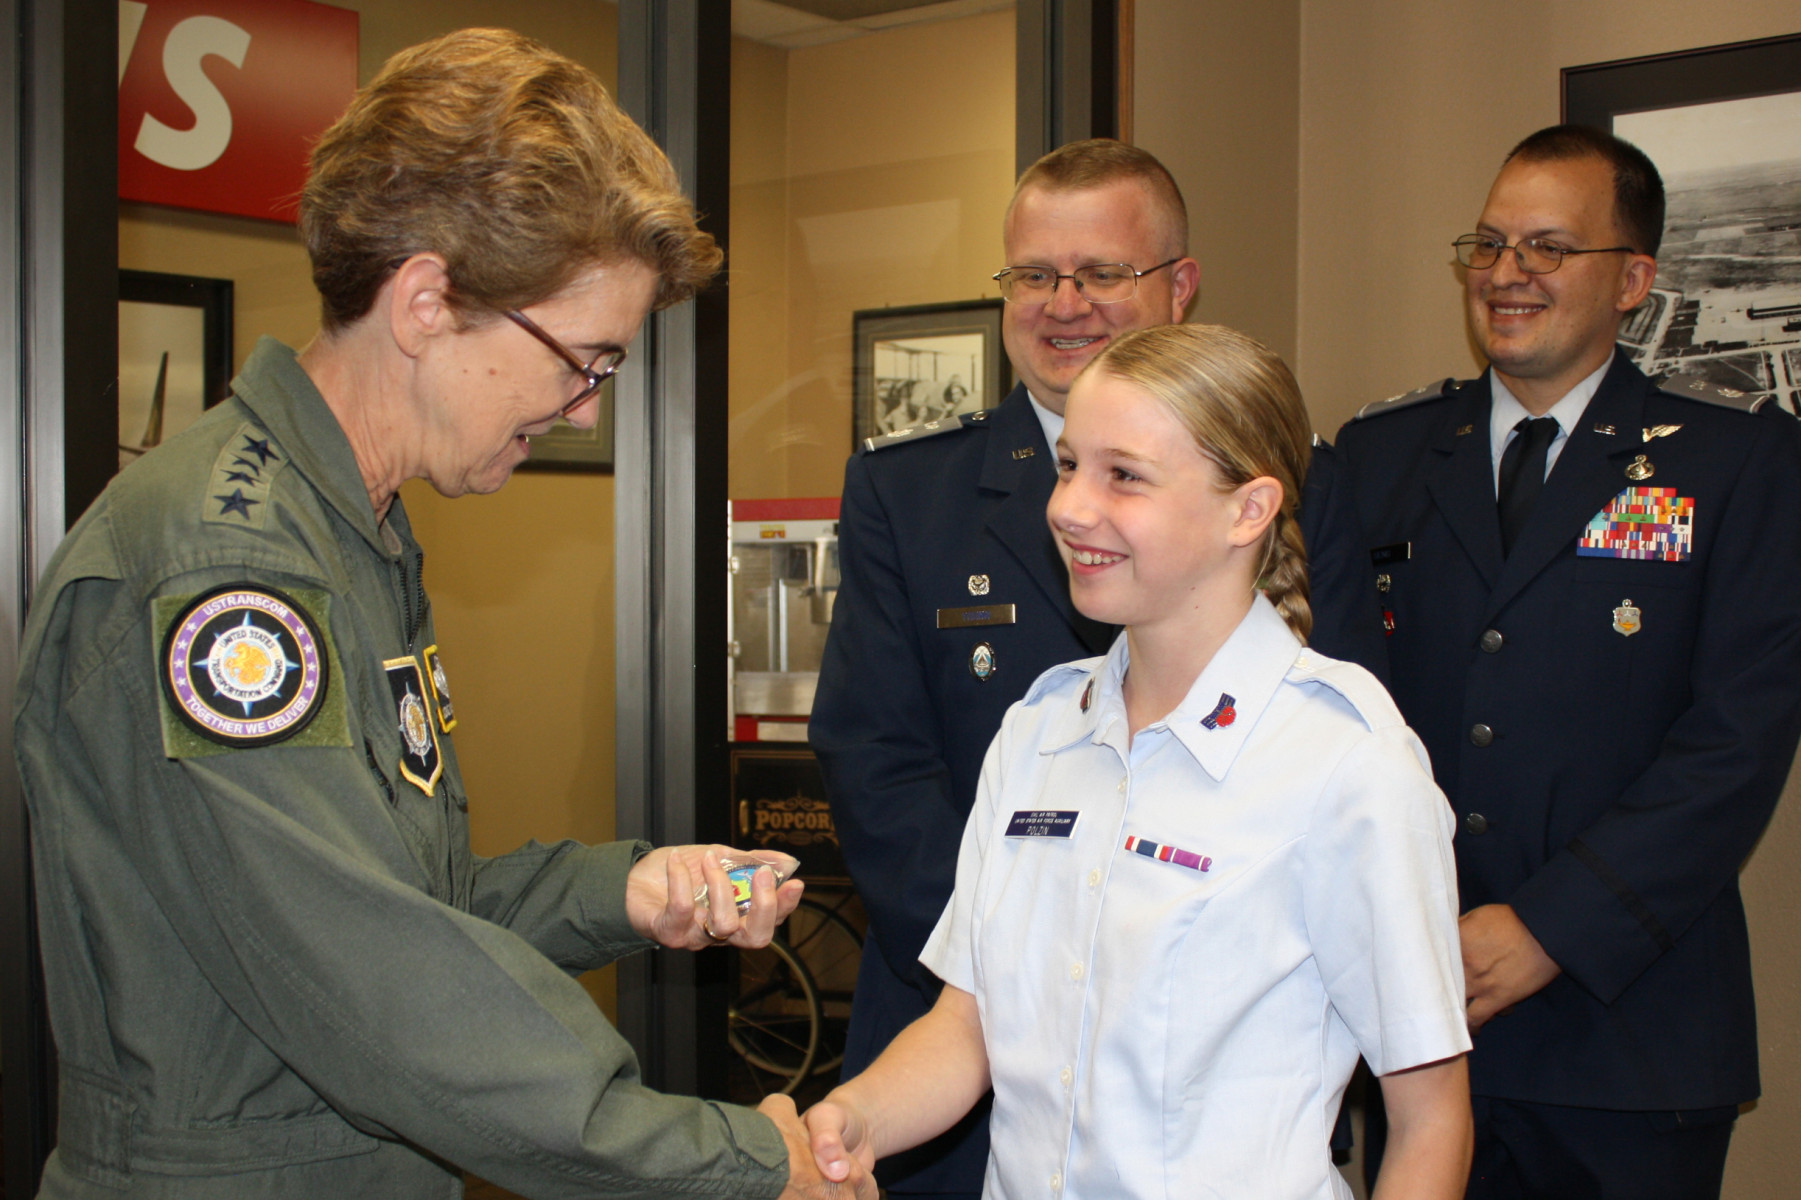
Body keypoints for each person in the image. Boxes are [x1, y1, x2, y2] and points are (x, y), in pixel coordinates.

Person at [13, 29, 873, 1200]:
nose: (581, 411)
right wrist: (738, 1163)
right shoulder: (231, 573)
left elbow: (398, 901)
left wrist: (617, 892)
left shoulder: (347, 534)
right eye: (587, 361)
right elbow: (377, 986)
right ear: (427, 300)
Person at [806, 323, 1474, 1200]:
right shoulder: (1041, 730)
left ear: (1248, 509)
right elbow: (970, 1024)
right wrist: (857, 1119)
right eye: (1068, 465)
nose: (1069, 507)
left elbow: (1429, 1118)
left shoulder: (1344, 761)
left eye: (1123, 476)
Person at [1321, 124, 1801, 1199]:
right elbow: (1334, 710)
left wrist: (1549, 927)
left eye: (1546, 247)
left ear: (1633, 278)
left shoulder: (1737, 461)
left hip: (1629, 1030)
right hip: (1413, 1009)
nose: (1505, 274)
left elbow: (1737, 743)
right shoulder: (1378, 455)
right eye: (1486, 244)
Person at [808, 139, 1199, 1200]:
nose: (1062, 303)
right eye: (1033, 275)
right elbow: (873, 757)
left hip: (1194, 1031)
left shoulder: (1282, 479)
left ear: (1180, 286)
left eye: (1101, 273)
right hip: (955, 1025)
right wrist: (1015, 961)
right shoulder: (908, 493)